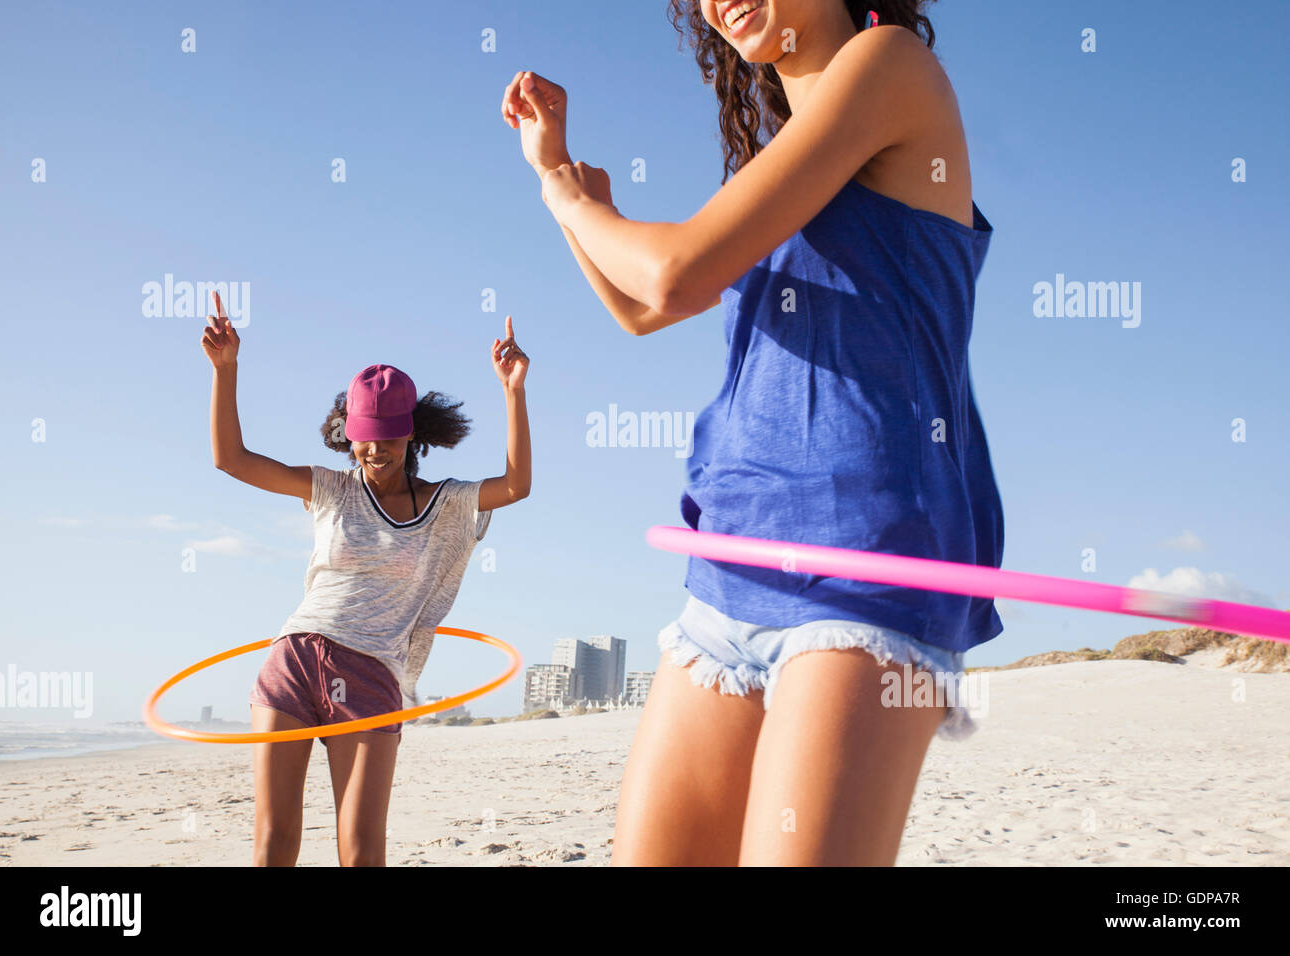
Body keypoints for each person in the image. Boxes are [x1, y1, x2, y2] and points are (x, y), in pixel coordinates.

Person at [500, 0, 1003, 865]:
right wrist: (563, 189)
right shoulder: (783, 161)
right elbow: (639, 306)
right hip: (731, 565)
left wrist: (564, 197)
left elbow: (676, 273)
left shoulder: (890, 65)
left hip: (868, 572)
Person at [200, 292, 531, 866]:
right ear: (346, 433)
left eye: (389, 438)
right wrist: (226, 370)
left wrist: (513, 391)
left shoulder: (447, 503)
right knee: (274, 843)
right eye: (363, 436)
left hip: (371, 671)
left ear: (413, 437)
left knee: (359, 851)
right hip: (295, 658)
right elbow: (231, 459)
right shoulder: (330, 488)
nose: (374, 450)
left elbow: (516, 485)